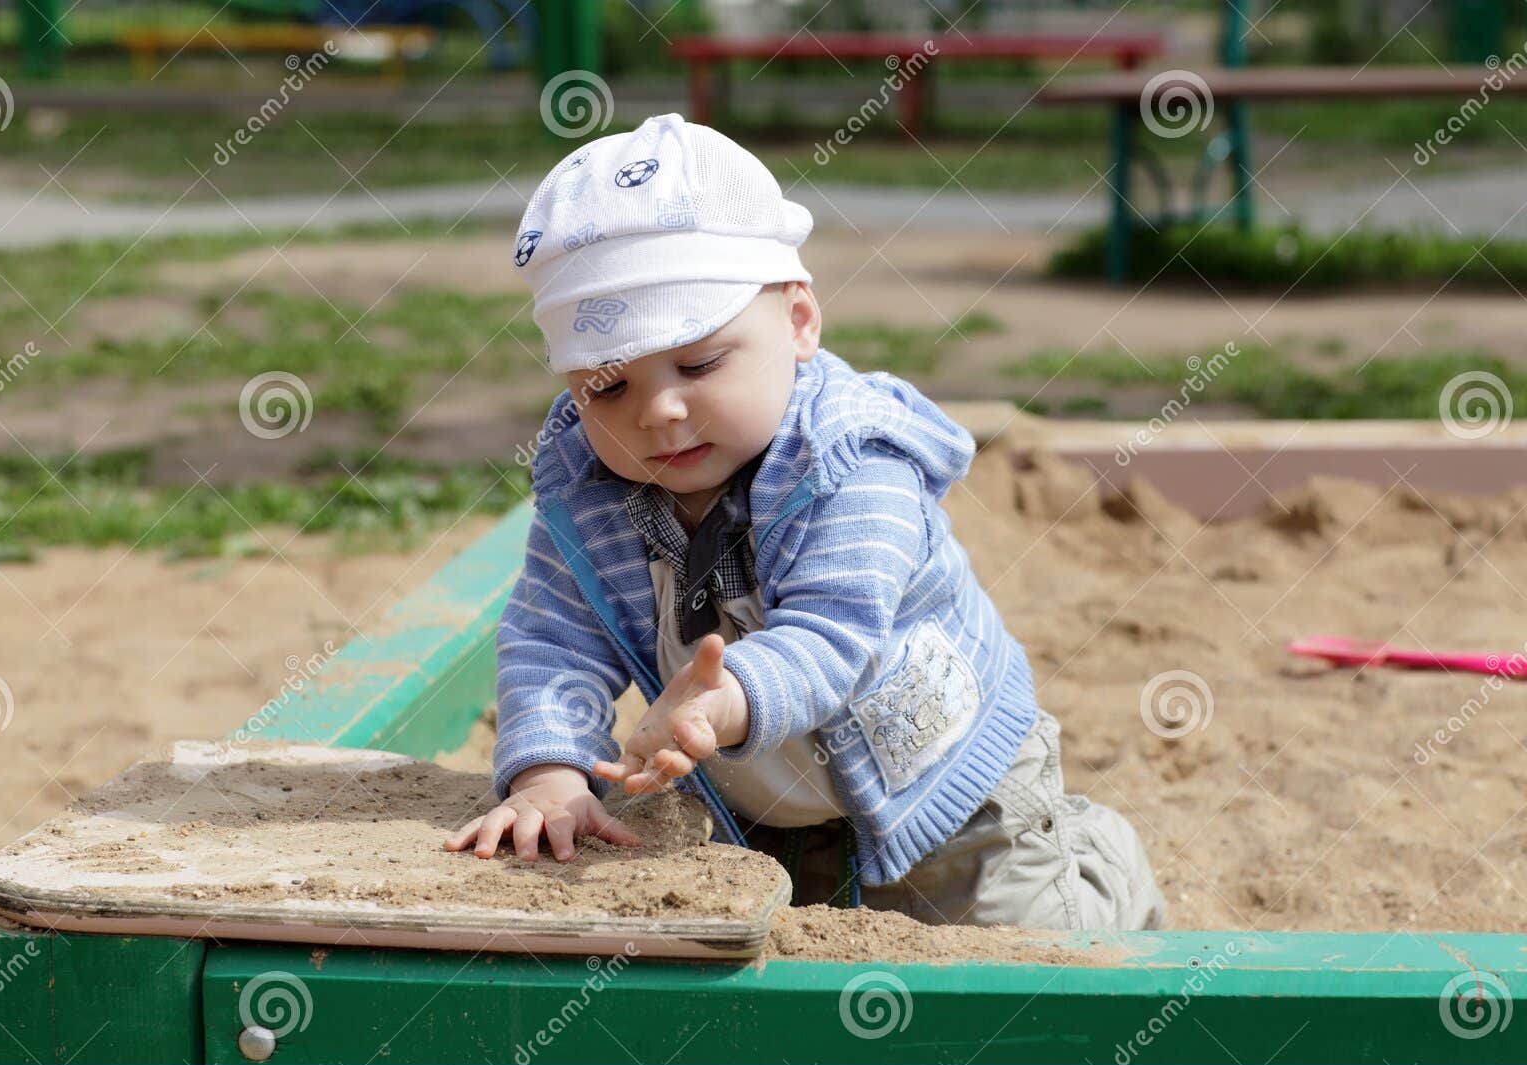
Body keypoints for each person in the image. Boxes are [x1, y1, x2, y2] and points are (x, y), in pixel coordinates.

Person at [443, 113, 1164, 931]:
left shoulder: (851, 461)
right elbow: (551, 637)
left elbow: (833, 636)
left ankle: (1103, 865)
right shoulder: (589, 485)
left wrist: (729, 699)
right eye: (608, 387)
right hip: (769, 806)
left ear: (798, 323)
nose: (660, 410)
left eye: (700, 361)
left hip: (952, 790)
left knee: (1018, 952)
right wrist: (550, 773)